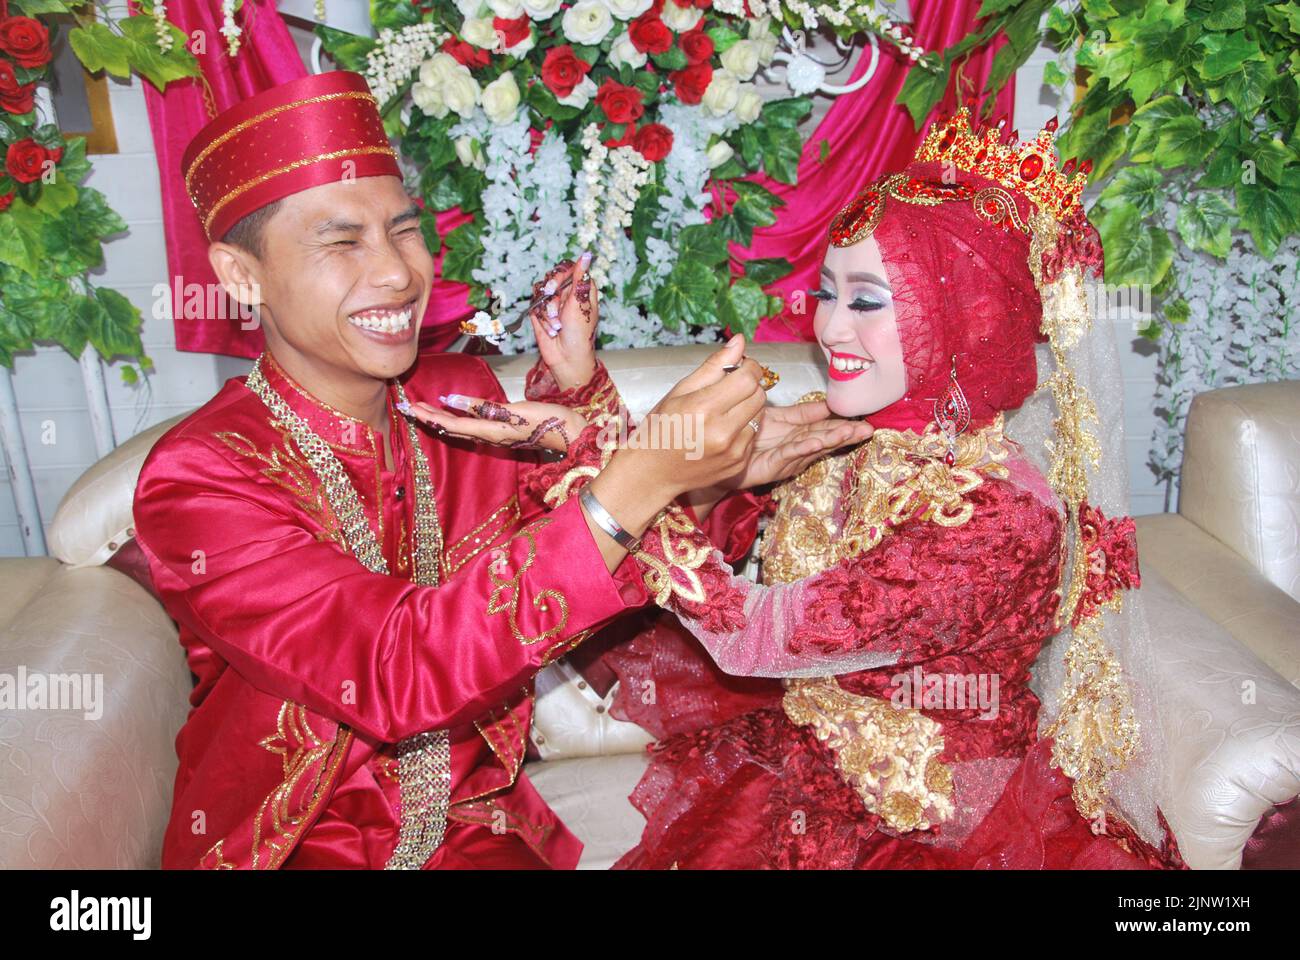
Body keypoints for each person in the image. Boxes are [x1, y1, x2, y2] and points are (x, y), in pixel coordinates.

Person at [133, 70, 870, 869]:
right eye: (342, 241)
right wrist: (644, 474)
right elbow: (396, 670)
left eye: (405, 231)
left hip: (473, 828)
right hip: (297, 844)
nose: (396, 273)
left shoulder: (458, 401)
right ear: (242, 276)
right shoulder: (201, 477)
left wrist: (713, 480)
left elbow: (585, 589)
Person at [515, 108, 1189, 869]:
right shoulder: (857, 432)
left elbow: (751, 633)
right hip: (816, 758)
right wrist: (583, 389)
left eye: (867, 301)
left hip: (935, 823)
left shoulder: (998, 519)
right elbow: (715, 531)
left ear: (966, 318)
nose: (830, 328)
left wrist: (613, 460)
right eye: (828, 293)